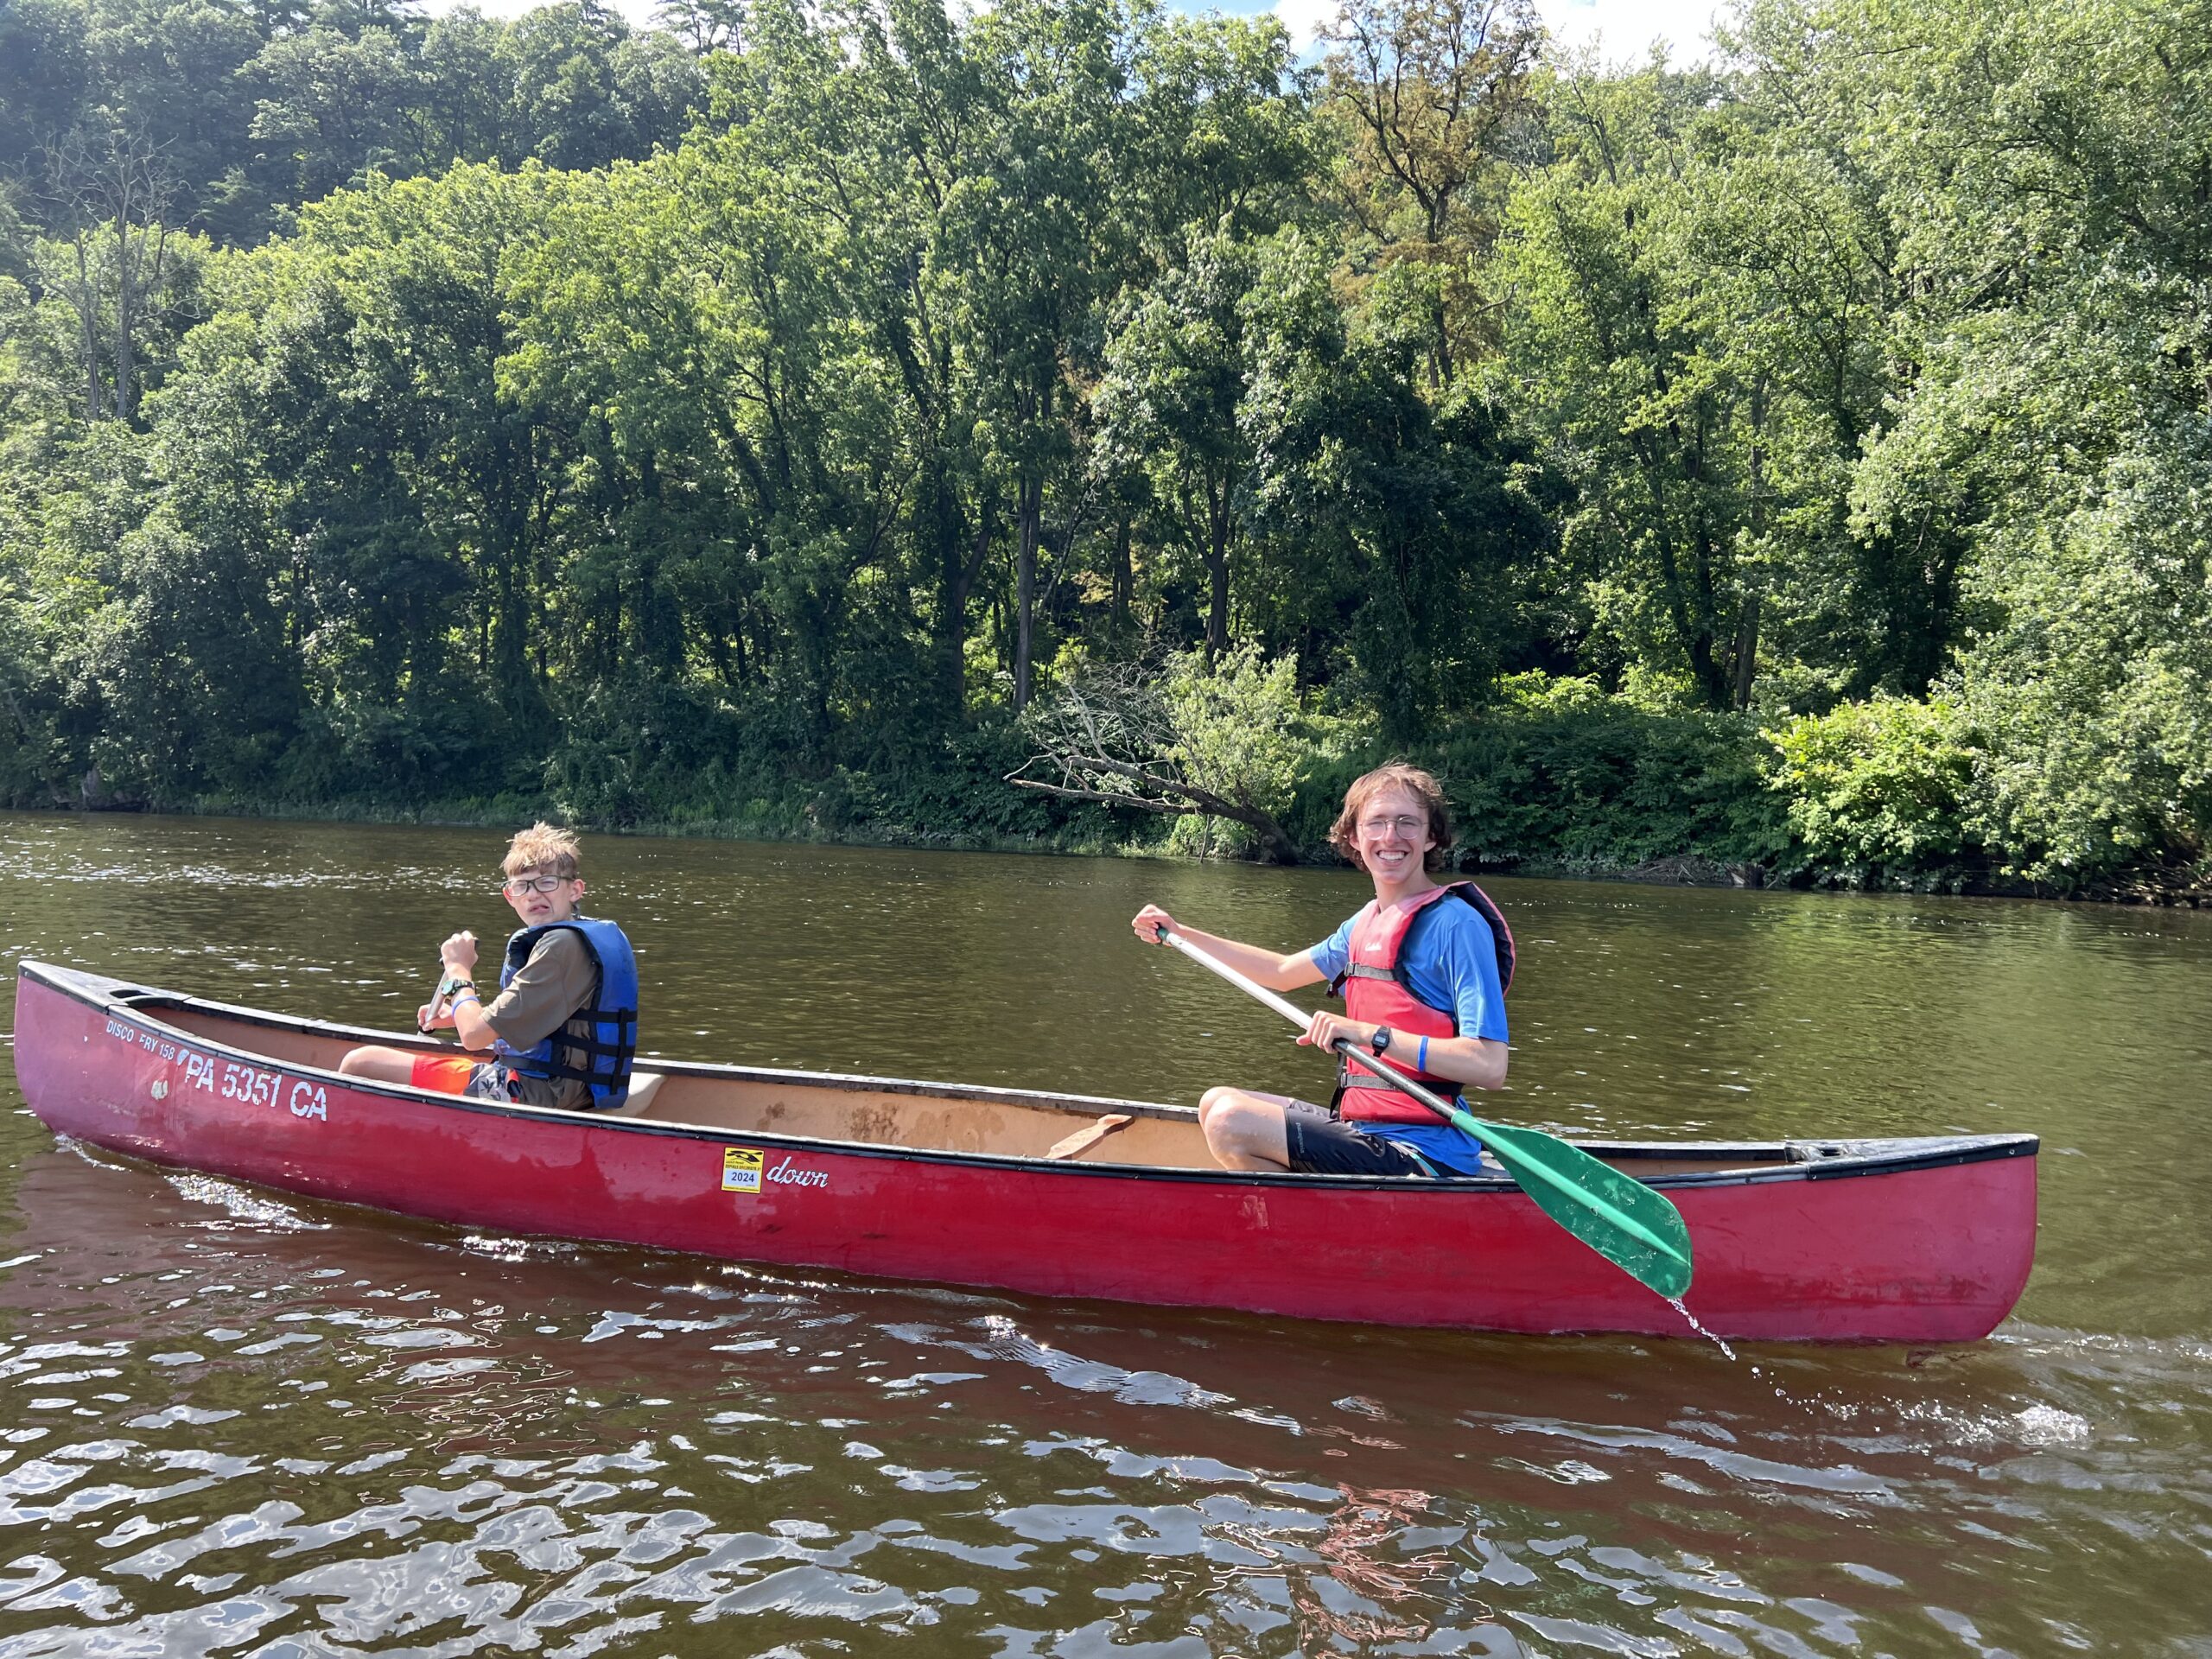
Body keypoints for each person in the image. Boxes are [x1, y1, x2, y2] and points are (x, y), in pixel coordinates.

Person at [1130, 763, 1512, 1178]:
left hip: (1426, 1154)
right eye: (1377, 823)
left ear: (1430, 835)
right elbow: (1280, 971)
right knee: (1214, 1102)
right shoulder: (1364, 924)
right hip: (1367, 1131)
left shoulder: (1457, 924)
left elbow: (1489, 1066)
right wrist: (1182, 933)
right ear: (1354, 837)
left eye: (1407, 823)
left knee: (1231, 1120)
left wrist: (1369, 1034)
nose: (1391, 837)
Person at [338, 823, 639, 1112]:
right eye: (522, 886)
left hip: (535, 1093)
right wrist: (457, 1017)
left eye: (547, 883)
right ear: (510, 896)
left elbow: (472, 1038)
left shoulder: (560, 947)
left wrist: (458, 970)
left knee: (361, 1063)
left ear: (575, 890)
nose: (534, 894)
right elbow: (545, 1028)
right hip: (571, 1091)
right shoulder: (581, 937)